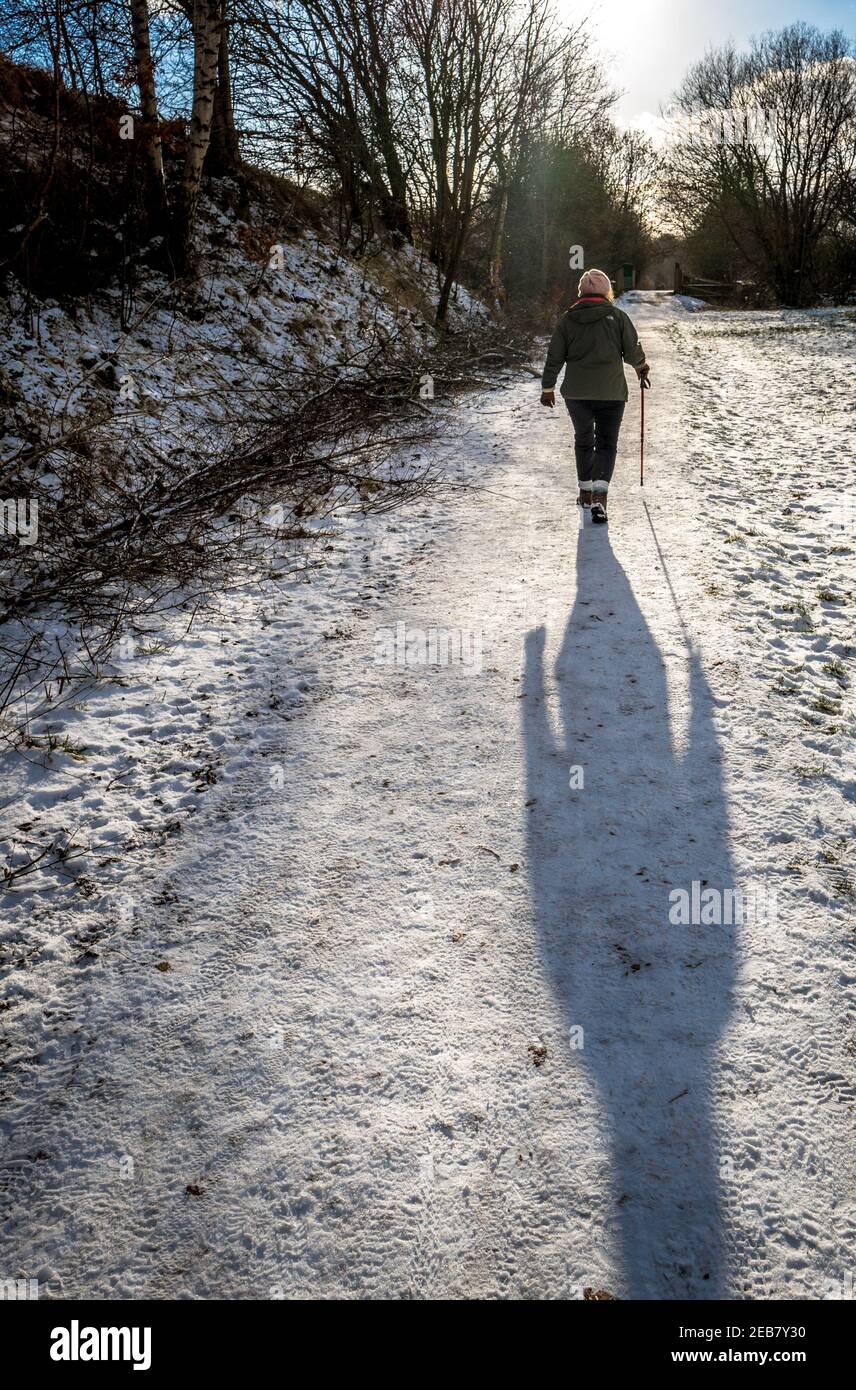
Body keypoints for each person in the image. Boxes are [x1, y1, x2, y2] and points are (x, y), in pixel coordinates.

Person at [540, 268, 649, 524]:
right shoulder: (618, 317)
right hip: (611, 393)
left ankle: (585, 493)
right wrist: (641, 367)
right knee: (607, 443)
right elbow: (633, 351)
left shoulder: (567, 320)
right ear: (606, 292)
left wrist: (548, 388)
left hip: (577, 394)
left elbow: (554, 356)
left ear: (581, 292)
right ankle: (600, 498)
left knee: (583, 440)